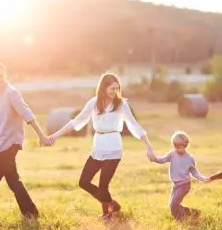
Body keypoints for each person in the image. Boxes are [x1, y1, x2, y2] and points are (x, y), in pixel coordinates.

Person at [49, 73, 156, 218]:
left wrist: (148, 146)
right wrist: (54, 136)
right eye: (112, 88)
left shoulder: (122, 104)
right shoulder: (94, 102)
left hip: (114, 147)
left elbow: (133, 125)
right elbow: (76, 122)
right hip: (98, 146)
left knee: (103, 185)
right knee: (84, 182)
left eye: (117, 88)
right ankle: (112, 204)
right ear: (103, 88)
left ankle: (107, 215)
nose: (115, 92)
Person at [0, 62, 52, 221]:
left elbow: (28, 115)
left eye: (0, 76)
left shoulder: (12, 93)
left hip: (10, 144)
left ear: (5, 75)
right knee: (13, 181)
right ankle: (31, 213)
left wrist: (41, 136)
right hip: (0, 143)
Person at [150, 131, 207, 221]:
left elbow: (194, 172)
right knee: (173, 205)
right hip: (176, 185)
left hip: (185, 185)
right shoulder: (172, 154)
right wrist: (154, 159)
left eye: (181, 146)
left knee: (173, 205)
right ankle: (193, 212)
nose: (178, 149)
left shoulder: (189, 158)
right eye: (176, 146)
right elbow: (162, 160)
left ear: (186, 145)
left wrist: (203, 178)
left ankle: (180, 220)